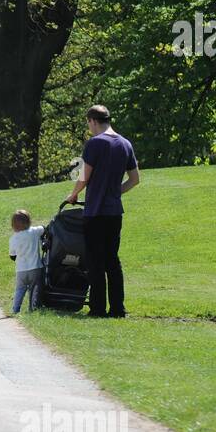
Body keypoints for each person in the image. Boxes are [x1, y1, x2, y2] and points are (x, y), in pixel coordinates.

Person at [66, 104, 139, 318]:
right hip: (114, 212)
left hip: (95, 211)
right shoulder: (125, 143)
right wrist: (116, 192)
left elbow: (84, 176)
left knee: (95, 260)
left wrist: (74, 194)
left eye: (88, 123)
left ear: (92, 121)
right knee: (112, 260)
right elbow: (135, 179)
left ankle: (97, 309)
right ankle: (118, 309)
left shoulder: (95, 143)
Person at [8, 209, 44, 313]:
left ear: (13, 225)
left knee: (19, 289)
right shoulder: (34, 231)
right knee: (34, 289)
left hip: (21, 270)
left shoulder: (13, 238)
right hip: (35, 267)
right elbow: (44, 228)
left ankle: (15, 309)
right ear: (28, 221)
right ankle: (32, 308)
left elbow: (12, 255)